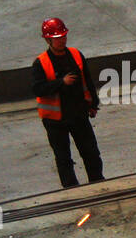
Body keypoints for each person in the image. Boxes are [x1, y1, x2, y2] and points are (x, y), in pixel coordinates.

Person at [32, 17, 103, 188]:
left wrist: (93, 104)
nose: (62, 40)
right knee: (63, 157)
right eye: (57, 38)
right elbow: (38, 89)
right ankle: (71, 189)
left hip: (78, 114)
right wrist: (61, 82)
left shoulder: (76, 55)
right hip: (55, 120)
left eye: (63, 37)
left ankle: (98, 183)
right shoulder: (41, 63)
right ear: (48, 40)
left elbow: (87, 80)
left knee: (91, 152)